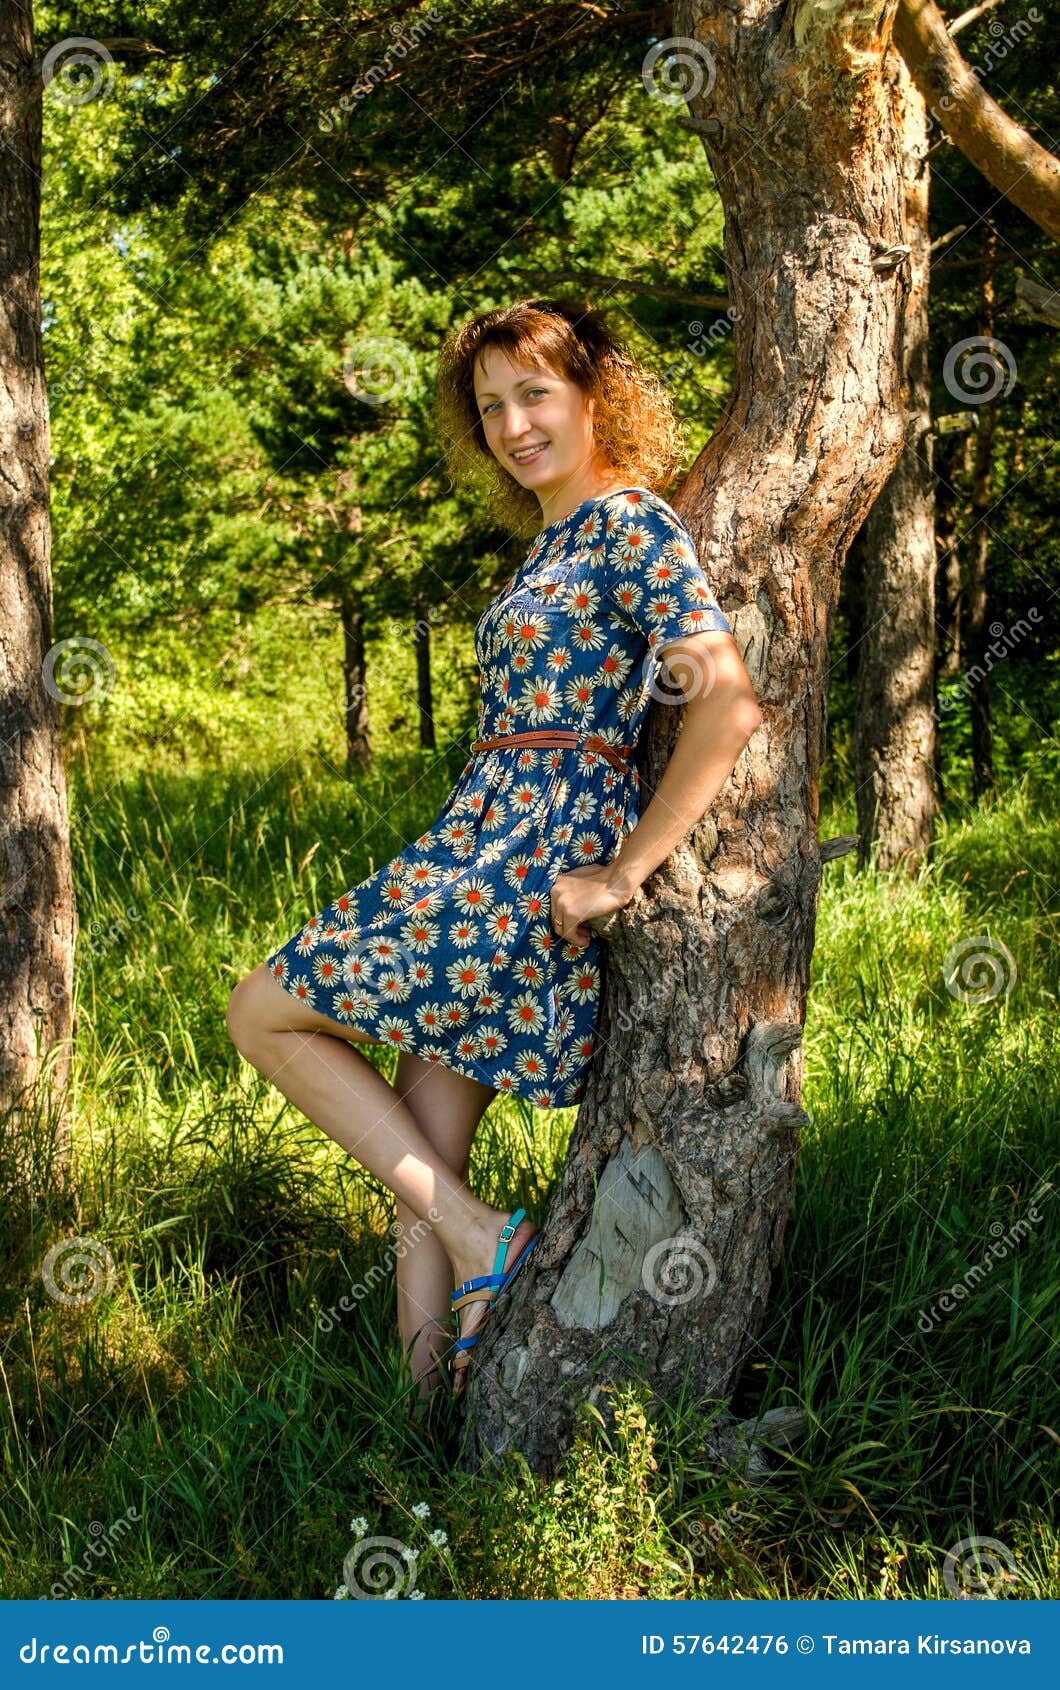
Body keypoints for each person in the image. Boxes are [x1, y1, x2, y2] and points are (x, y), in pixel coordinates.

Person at [226, 297, 762, 1407]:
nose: (514, 424)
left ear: (592, 396)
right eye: (490, 408)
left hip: (527, 858)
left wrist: (624, 869)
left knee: (261, 1011)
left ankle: (486, 1241)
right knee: (415, 1150)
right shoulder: (553, 539)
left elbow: (728, 706)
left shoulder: (628, 523)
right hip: (484, 826)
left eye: (534, 395)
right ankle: (426, 1416)